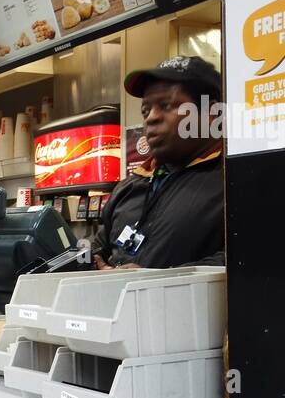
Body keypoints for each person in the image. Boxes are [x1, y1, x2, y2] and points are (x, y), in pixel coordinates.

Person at [92, 56, 224, 269]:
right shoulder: (129, 187)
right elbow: (98, 250)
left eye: (166, 105)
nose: (151, 118)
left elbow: (255, 255)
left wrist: (156, 282)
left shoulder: (234, 181)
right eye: (146, 110)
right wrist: (96, 268)